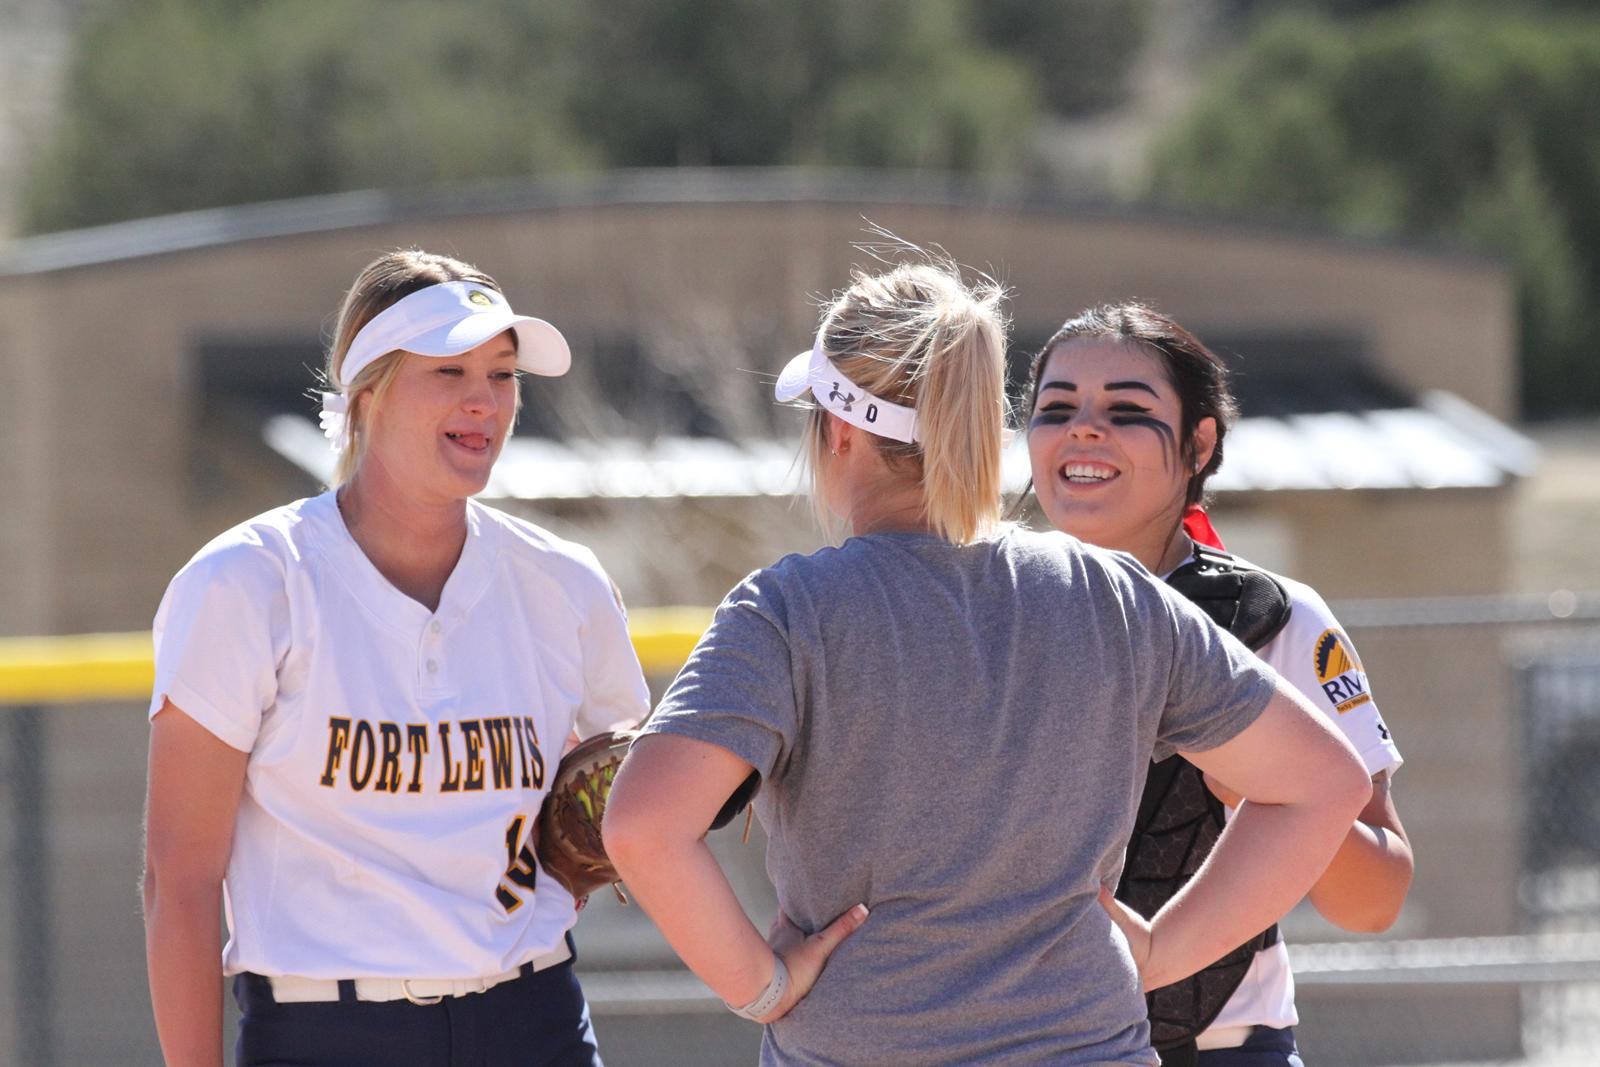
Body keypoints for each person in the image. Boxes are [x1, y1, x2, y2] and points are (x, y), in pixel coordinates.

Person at [601, 254, 1373, 1066]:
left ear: (838, 431)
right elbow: (1327, 782)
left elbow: (644, 825)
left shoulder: (788, 610)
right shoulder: (1109, 591)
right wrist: (1160, 952)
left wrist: (761, 982)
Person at [142, 249, 650, 1067]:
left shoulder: (565, 584)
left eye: (503, 372)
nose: (483, 400)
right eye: (449, 369)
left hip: (534, 1019)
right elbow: (180, 879)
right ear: (366, 395)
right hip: (327, 1034)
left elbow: (624, 808)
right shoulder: (250, 581)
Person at [1023, 303, 1412, 1066]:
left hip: (1223, 1048)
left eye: (1128, 410)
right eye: (1056, 408)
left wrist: (1269, 786)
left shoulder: (1274, 620)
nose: (1085, 429)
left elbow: (1376, 901)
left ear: (1200, 442)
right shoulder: (982, 611)